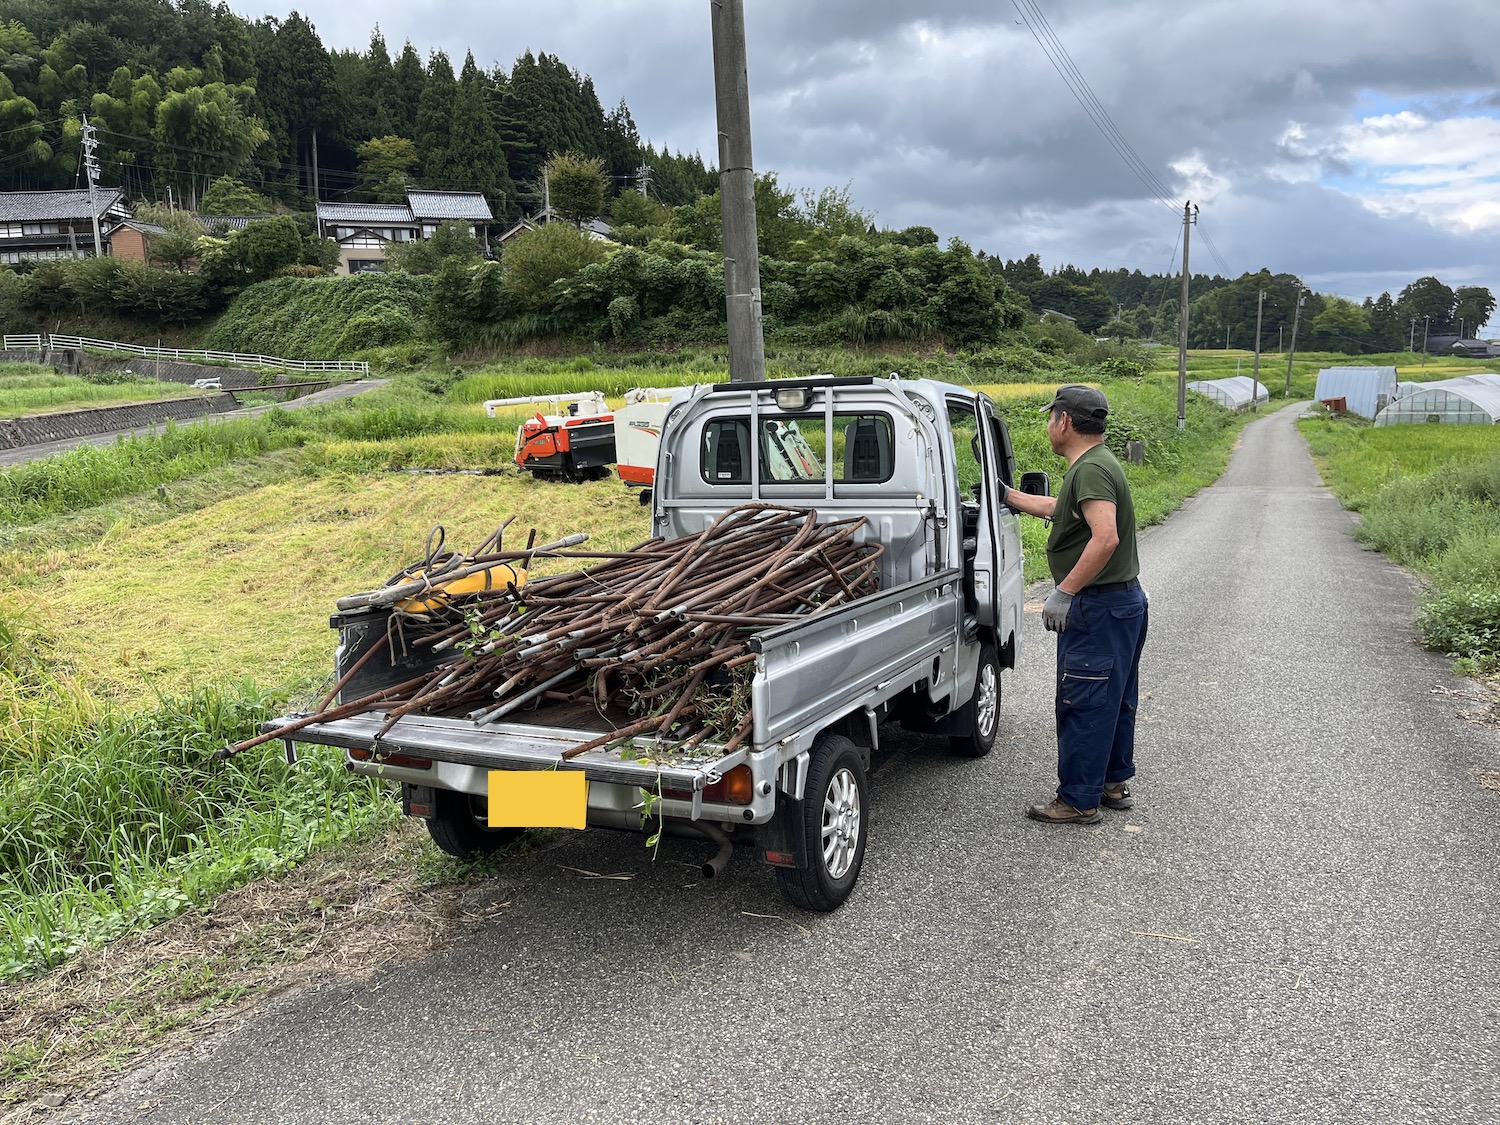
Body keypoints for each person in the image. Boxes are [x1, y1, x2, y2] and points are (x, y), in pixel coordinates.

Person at [1001, 384, 1148, 826]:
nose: (1050, 425)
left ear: (1064, 421)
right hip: (1120, 603)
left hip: (1098, 606)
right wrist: (1009, 496)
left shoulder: (1089, 470)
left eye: (1052, 417)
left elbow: (1105, 537)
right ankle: (1110, 783)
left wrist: (1064, 590)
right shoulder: (1097, 465)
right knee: (1114, 697)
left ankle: (1078, 799)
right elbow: (1062, 511)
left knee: (1085, 701)